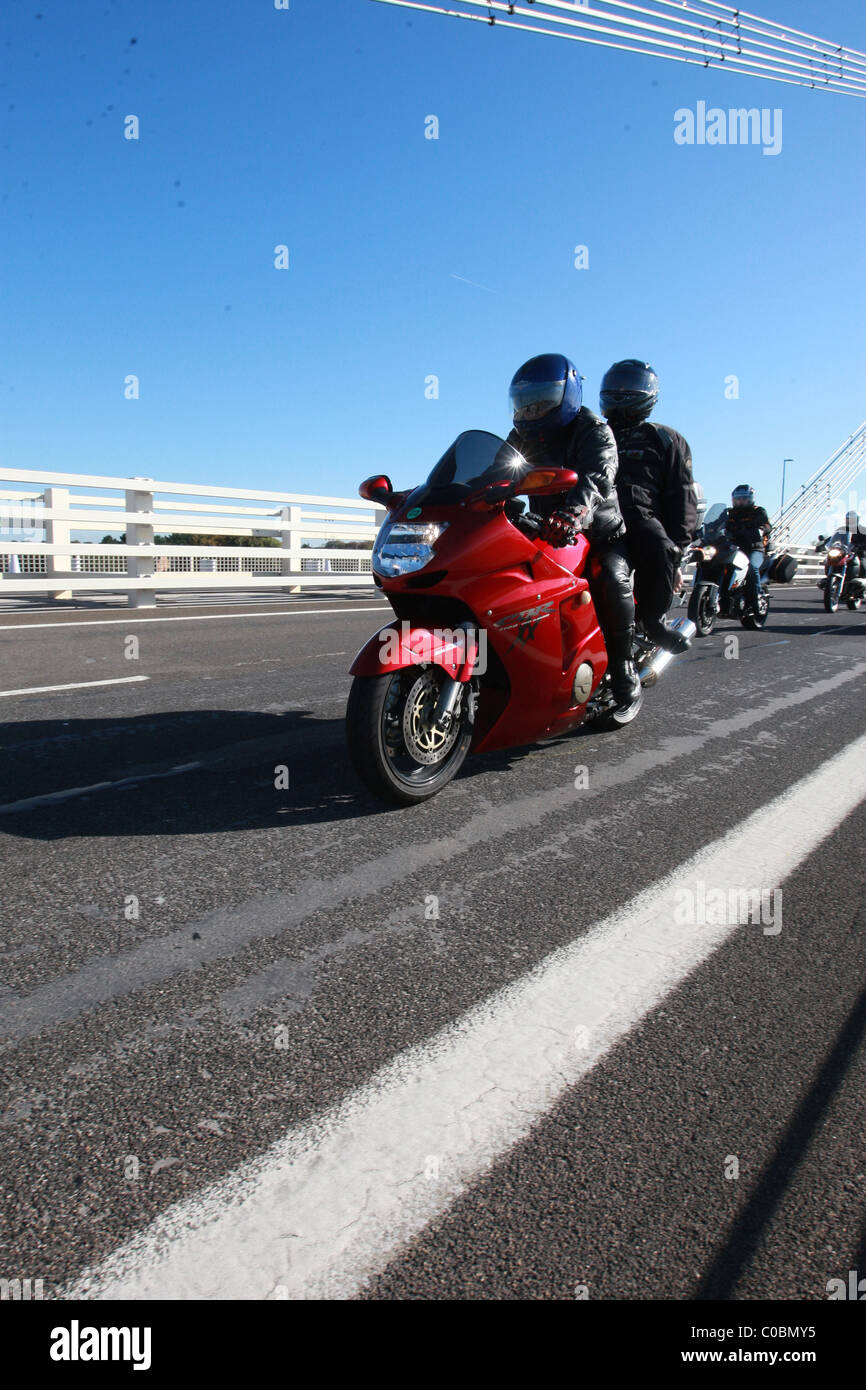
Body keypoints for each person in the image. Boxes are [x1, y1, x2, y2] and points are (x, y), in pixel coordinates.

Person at [506, 352, 642, 720]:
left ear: (566, 396)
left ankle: (624, 666)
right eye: (525, 403)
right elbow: (495, 473)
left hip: (599, 532)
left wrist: (573, 514)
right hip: (547, 534)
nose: (532, 411)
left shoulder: (594, 430)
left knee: (609, 579)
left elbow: (596, 479)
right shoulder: (520, 437)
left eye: (542, 401)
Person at [599, 359, 698, 653]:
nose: (621, 392)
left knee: (659, 546)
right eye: (616, 386)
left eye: (629, 386)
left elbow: (682, 495)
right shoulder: (592, 433)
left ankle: (652, 622)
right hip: (594, 516)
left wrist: (677, 550)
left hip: (638, 518)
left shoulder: (665, 437)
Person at [725, 484, 772, 611]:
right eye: (738, 498)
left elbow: (766, 524)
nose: (740, 501)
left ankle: (755, 599)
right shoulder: (729, 513)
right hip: (733, 548)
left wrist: (762, 530)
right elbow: (716, 523)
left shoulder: (758, 511)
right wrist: (702, 530)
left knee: (752, 567)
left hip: (754, 548)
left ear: (750, 499)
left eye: (744, 498)